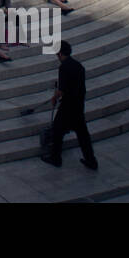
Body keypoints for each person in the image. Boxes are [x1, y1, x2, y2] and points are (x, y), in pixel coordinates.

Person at [41, 41, 97, 169]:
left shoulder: (64, 67)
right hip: (78, 104)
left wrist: (54, 98)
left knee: (57, 130)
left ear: (60, 53)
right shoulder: (78, 66)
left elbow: (61, 90)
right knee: (83, 134)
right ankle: (91, 160)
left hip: (67, 106)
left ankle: (56, 158)